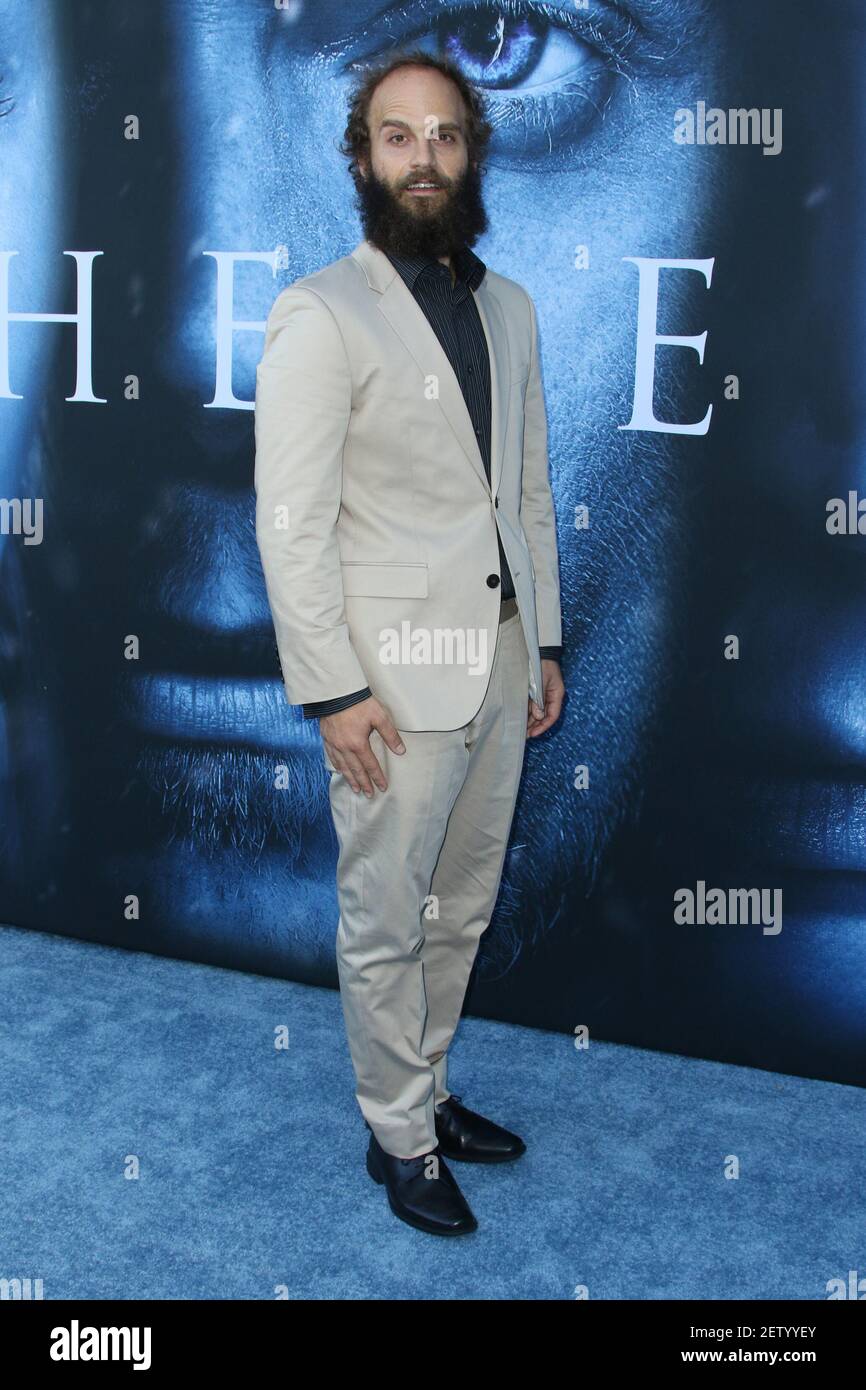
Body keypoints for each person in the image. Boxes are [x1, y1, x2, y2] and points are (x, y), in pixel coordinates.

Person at [254, 51, 564, 1236]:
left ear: (469, 151)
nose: (421, 156)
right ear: (363, 155)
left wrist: (539, 644)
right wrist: (331, 691)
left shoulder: (511, 307)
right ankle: (395, 1135)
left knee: (461, 905)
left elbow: (524, 491)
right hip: (387, 679)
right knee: (387, 910)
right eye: (397, 136)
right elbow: (291, 524)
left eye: (442, 134)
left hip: (494, 660)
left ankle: (426, 1092)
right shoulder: (322, 312)